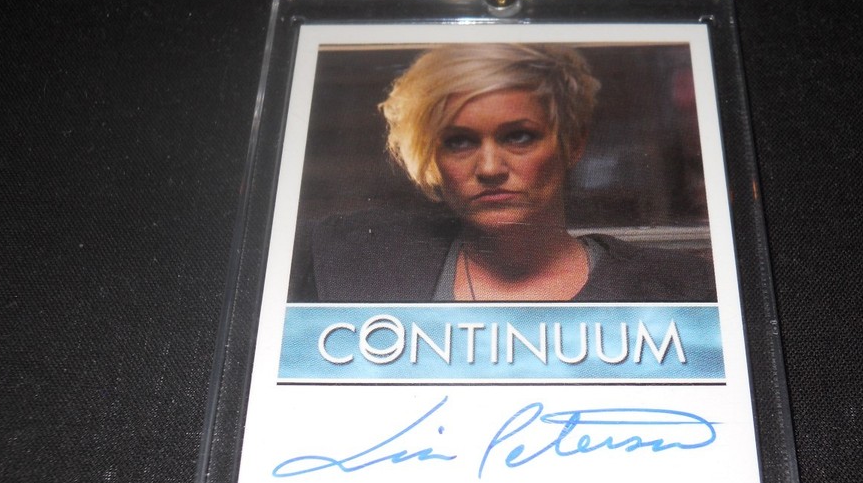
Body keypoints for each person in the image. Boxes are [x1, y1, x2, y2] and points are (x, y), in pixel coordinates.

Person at [292, 43, 716, 302]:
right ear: (431, 154)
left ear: (572, 142)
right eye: (459, 142)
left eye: (519, 137)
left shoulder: (681, 289)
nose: (490, 168)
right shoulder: (350, 260)